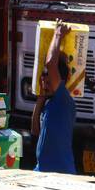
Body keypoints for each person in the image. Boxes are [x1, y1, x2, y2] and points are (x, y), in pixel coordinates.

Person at [31, 21, 77, 174]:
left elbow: (51, 63)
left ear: (60, 80)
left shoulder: (63, 99)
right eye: (43, 76)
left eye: (48, 77)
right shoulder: (49, 103)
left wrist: (58, 34)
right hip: (42, 170)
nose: (44, 80)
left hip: (61, 173)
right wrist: (40, 101)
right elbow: (35, 132)